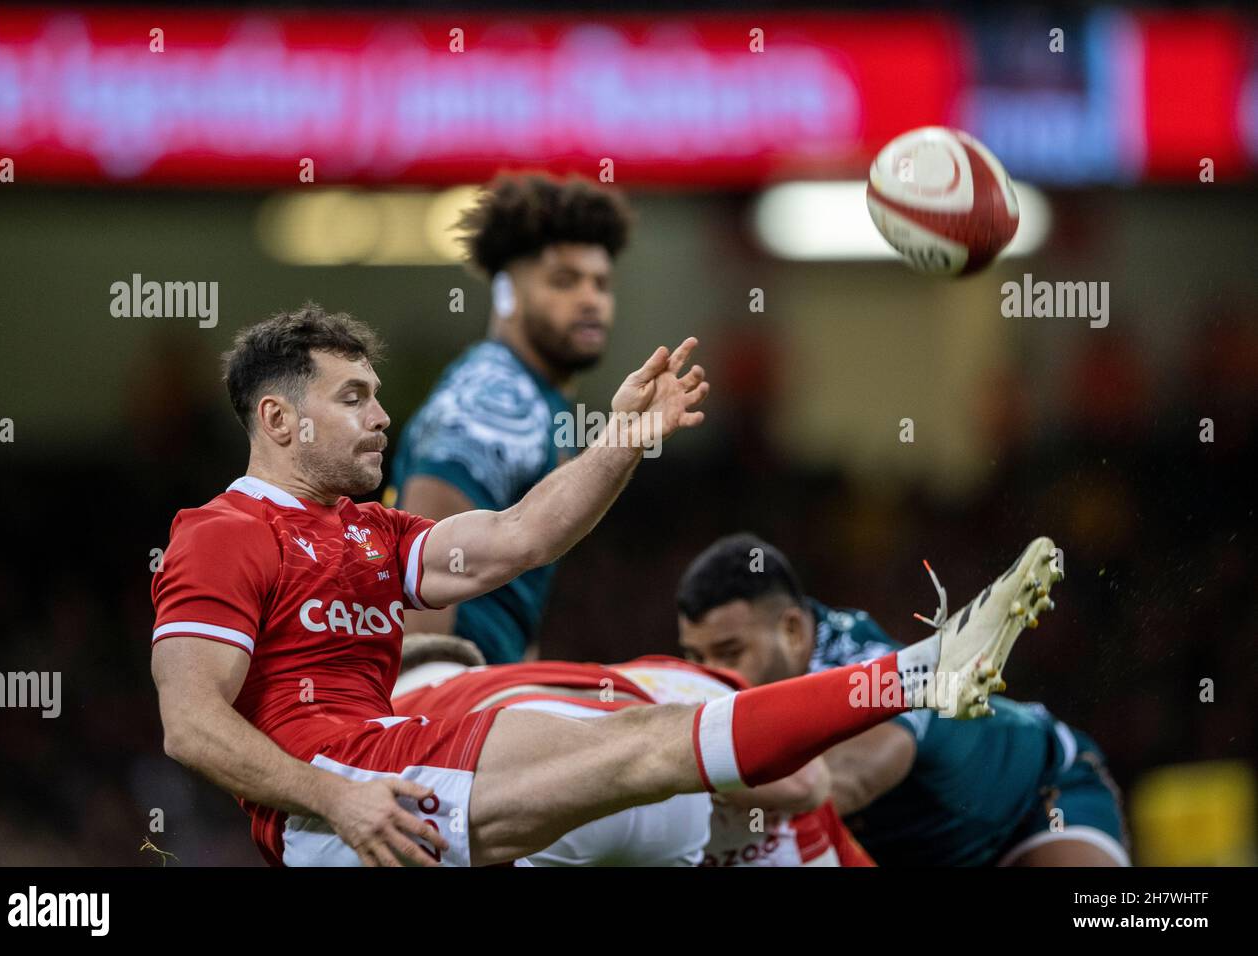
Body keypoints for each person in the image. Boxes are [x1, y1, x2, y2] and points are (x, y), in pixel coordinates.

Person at [150, 304, 1039, 867]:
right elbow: (192, 726)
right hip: (349, 800)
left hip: (387, 771)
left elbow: (520, 536)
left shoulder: (368, 533)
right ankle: (917, 675)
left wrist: (623, 438)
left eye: (379, 394)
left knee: (642, 748)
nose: (382, 414)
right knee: (643, 745)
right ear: (277, 418)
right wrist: (334, 795)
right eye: (353, 396)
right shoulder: (224, 533)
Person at [675, 533, 1129, 867]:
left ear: (792, 631)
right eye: (695, 656)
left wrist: (694, 792)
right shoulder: (714, 693)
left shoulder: (862, 663)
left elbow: (851, 779)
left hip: (1038, 800)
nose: (713, 671)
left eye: (730, 652)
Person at [386, 174, 632, 662]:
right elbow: (423, 589)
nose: (590, 299)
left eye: (600, 283)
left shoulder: (537, 397)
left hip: (490, 686)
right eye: (564, 281)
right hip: (449, 702)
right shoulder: (490, 403)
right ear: (506, 294)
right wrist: (423, 716)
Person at [390, 639, 870, 867]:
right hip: (662, 784)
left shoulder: (383, 712)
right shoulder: (659, 672)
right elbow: (805, 784)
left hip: (546, 780)